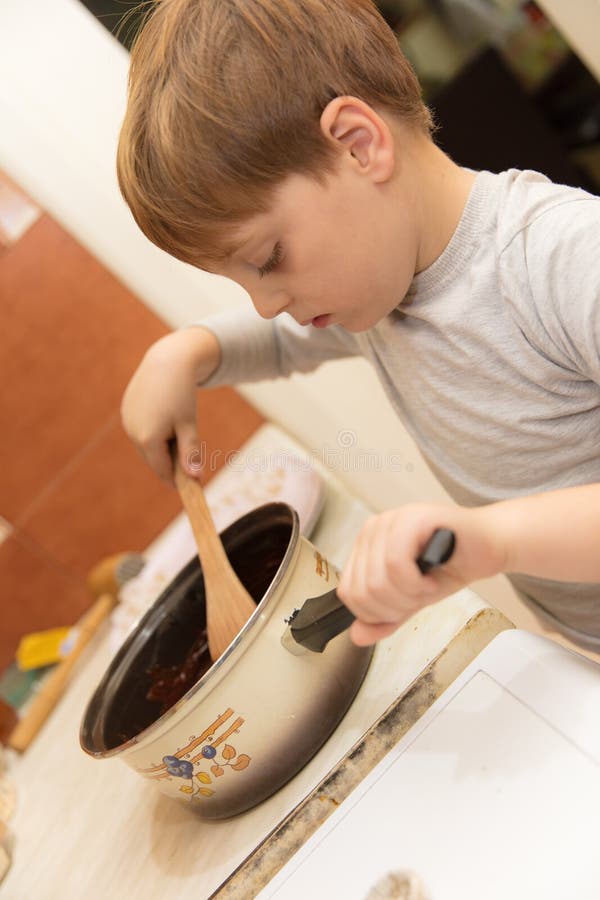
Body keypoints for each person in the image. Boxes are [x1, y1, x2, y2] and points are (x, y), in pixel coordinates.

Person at [117, 0, 600, 648]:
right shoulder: (374, 295)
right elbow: (274, 340)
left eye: (269, 259)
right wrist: (183, 354)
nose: (265, 304)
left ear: (357, 145)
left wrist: (493, 540)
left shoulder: (563, 257)